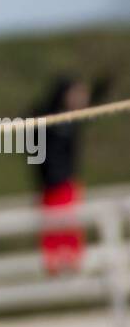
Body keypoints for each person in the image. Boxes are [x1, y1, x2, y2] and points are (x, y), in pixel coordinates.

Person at [34, 75, 110, 275]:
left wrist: (103, 86)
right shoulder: (48, 117)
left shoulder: (71, 118)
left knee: (70, 229)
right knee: (55, 231)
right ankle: (57, 270)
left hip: (66, 184)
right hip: (51, 185)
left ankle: (71, 267)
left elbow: (91, 105)